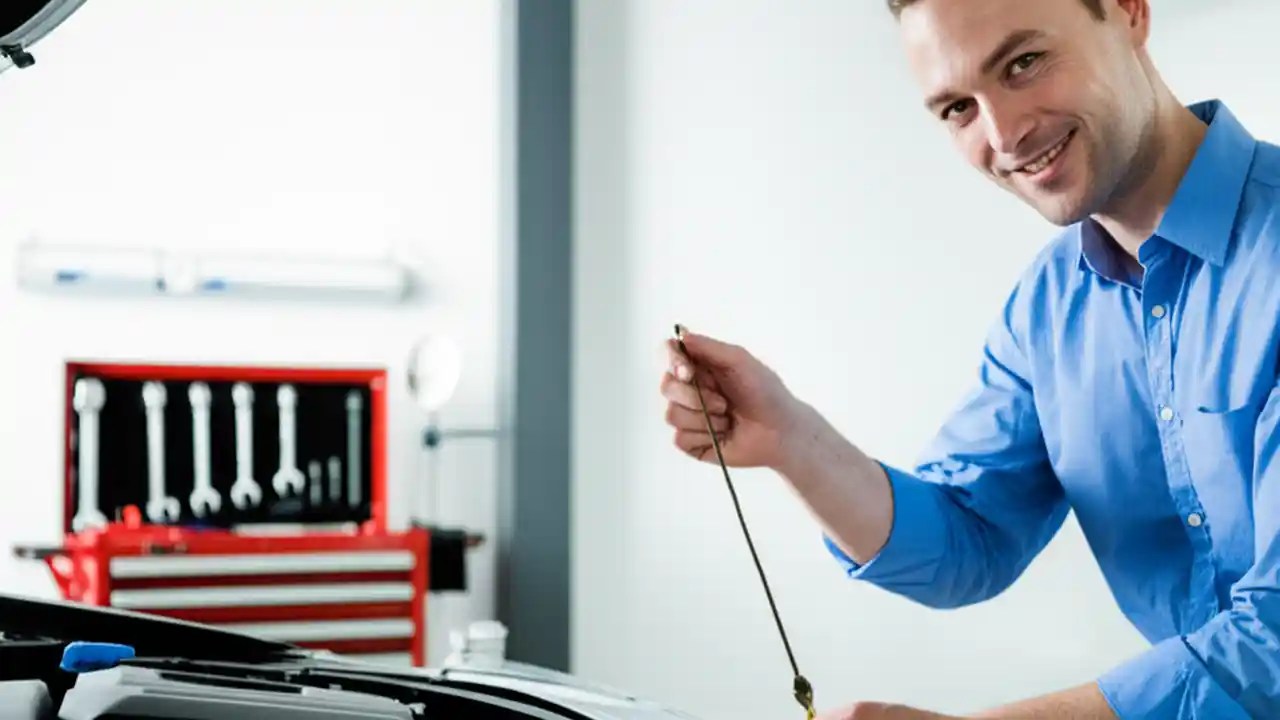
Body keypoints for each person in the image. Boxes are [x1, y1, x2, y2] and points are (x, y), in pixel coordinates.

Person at [661, 0, 1280, 717]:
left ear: (1129, 11)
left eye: (1024, 63)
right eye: (957, 107)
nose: (1004, 133)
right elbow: (968, 540)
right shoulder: (1049, 306)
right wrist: (790, 438)